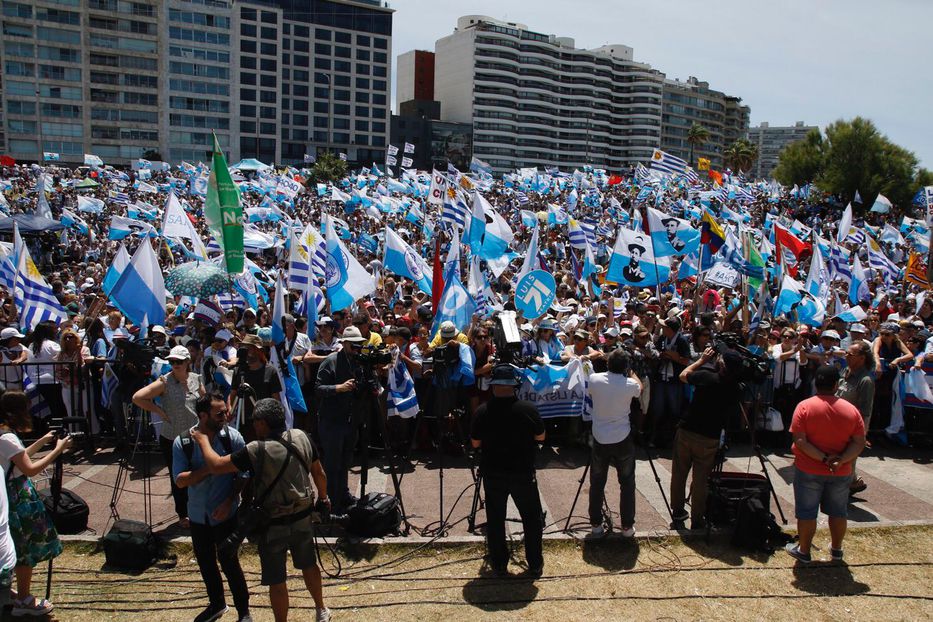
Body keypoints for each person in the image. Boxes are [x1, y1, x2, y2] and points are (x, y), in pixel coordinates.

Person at [193, 398, 331, 622]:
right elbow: (319, 473)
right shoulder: (302, 436)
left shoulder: (256, 449)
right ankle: (320, 609)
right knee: (308, 564)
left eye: (255, 422)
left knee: (277, 579)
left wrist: (201, 440)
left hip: (272, 523)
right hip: (303, 518)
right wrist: (323, 499)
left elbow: (216, 465)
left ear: (263, 424)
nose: (253, 426)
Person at [174, 392, 251, 622]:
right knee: (206, 562)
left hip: (226, 515)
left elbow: (244, 474)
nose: (225, 417)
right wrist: (212, 467)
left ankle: (244, 611)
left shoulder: (233, 438)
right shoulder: (184, 442)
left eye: (226, 412)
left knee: (230, 563)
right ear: (202, 415)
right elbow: (179, 480)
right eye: (219, 414)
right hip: (198, 516)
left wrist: (230, 501)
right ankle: (217, 604)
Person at [0, 390, 72, 617]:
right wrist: (57, 450)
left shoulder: (4, 435)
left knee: (15, 545)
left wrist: (42, 442)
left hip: (8, 492)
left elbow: (19, 458)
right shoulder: (7, 437)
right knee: (25, 547)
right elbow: (29, 468)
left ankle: (14, 593)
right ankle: (24, 599)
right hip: (18, 497)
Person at [470, 365, 545, 577]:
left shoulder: (482, 411)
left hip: (493, 473)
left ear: (493, 387)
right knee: (532, 518)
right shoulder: (528, 409)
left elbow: (475, 443)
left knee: (495, 519)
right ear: (515, 386)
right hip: (522, 473)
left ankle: (499, 563)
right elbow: (541, 437)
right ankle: (535, 562)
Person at [786, 365, 866, 564]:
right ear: (836, 384)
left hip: (809, 468)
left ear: (815, 383)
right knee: (839, 511)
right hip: (840, 470)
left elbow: (800, 441)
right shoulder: (851, 410)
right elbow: (858, 442)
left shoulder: (804, 406)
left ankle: (804, 550)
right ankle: (837, 548)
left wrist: (822, 458)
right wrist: (841, 459)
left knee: (806, 512)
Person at [670, 347, 743, 530]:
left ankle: (678, 511)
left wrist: (701, 360)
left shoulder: (706, 376)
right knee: (701, 479)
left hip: (688, 430)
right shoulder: (735, 388)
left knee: (680, 473)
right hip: (710, 436)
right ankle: (697, 519)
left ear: (723, 363)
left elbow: (683, 375)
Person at [133, 345, 205, 528]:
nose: (175, 365)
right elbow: (138, 397)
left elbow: (204, 403)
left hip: (195, 435)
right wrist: (158, 411)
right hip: (173, 438)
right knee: (178, 477)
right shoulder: (165, 381)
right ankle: (183, 513)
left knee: (198, 472)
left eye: (179, 361)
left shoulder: (197, 379)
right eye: (172, 362)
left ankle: (198, 507)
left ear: (187, 362)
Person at [586, 349, 643, 537]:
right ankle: (627, 526)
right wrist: (631, 372)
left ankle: (595, 524)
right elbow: (639, 388)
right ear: (626, 367)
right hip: (622, 437)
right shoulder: (629, 384)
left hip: (600, 437)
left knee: (597, 481)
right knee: (627, 482)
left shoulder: (594, 379)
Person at [315, 325, 366, 514]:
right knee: (332, 462)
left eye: (358, 345)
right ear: (344, 344)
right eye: (353, 345)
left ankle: (343, 494)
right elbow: (319, 389)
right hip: (331, 420)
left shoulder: (358, 363)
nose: (356, 349)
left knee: (345, 461)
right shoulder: (330, 362)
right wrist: (339, 388)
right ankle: (330, 499)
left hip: (350, 419)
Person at [836, 340, 875, 495]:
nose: (846, 356)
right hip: (836, 423)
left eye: (850, 354)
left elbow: (866, 410)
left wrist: (862, 434)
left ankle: (846, 487)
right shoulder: (845, 371)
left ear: (862, 358)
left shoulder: (865, 381)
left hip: (851, 427)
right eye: (846, 353)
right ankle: (853, 482)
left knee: (847, 459)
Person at [229, 334, 282, 435]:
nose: (246, 352)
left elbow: (276, 399)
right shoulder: (238, 371)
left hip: (264, 422)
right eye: (243, 348)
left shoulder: (270, 371)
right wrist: (230, 410)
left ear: (258, 351)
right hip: (244, 420)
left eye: (249, 349)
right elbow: (233, 393)